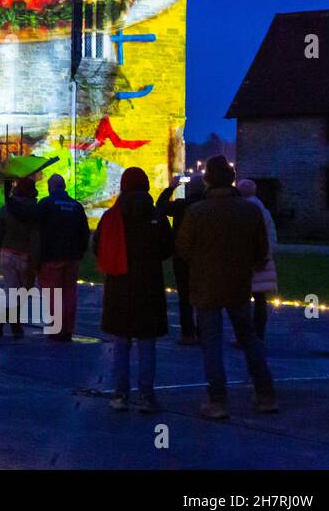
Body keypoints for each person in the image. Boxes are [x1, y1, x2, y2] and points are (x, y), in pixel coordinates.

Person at [176, 156, 277, 419]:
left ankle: (218, 400)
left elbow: (183, 250)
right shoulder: (250, 211)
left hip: (206, 285)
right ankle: (265, 394)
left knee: (211, 343)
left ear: (208, 179)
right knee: (249, 338)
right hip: (239, 284)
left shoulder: (197, 212)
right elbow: (261, 251)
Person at [93, 167, 172, 414]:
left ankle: (120, 394)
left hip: (119, 286)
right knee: (147, 344)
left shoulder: (111, 217)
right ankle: (147, 396)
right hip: (148, 286)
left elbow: (98, 247)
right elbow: (167, 248)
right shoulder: (157, 216)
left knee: (120, 344)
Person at [4, 173, 89, 341]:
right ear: (64, 187)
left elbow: (25, 214)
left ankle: (57, 330)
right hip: (72, 258)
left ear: (50, 188)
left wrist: (8, 196)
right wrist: (79, 252)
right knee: (70, 294)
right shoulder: (76, 206)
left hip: (51, 258)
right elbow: (84, 233)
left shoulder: (47, 204)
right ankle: (67, 329)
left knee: (53, 295)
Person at [156, 174, 204, 345]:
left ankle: (187, 333)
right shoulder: (209, 205)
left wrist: (171, 187)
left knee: (185, 297)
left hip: (182, 256)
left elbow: (160, 206)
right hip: (204, 257)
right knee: (204, 296)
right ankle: (204, 332)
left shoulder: (181, 206)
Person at [0, 177, 40, 338]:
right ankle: (9, 322)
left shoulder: (6, 209)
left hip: (7, 254)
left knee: (12, 291)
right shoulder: (35, 210)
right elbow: (36, 235)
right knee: (22, 292)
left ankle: (10, 322)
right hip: (25, 255)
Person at [237, 178, 278, 340]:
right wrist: (267, 255)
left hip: (244, 261)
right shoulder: (264, 211)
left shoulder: (240, 211)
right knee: (260, 300)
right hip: (262, 260)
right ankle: (258, 333)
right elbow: (272, 236)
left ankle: (244, 334)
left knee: (242, 301)